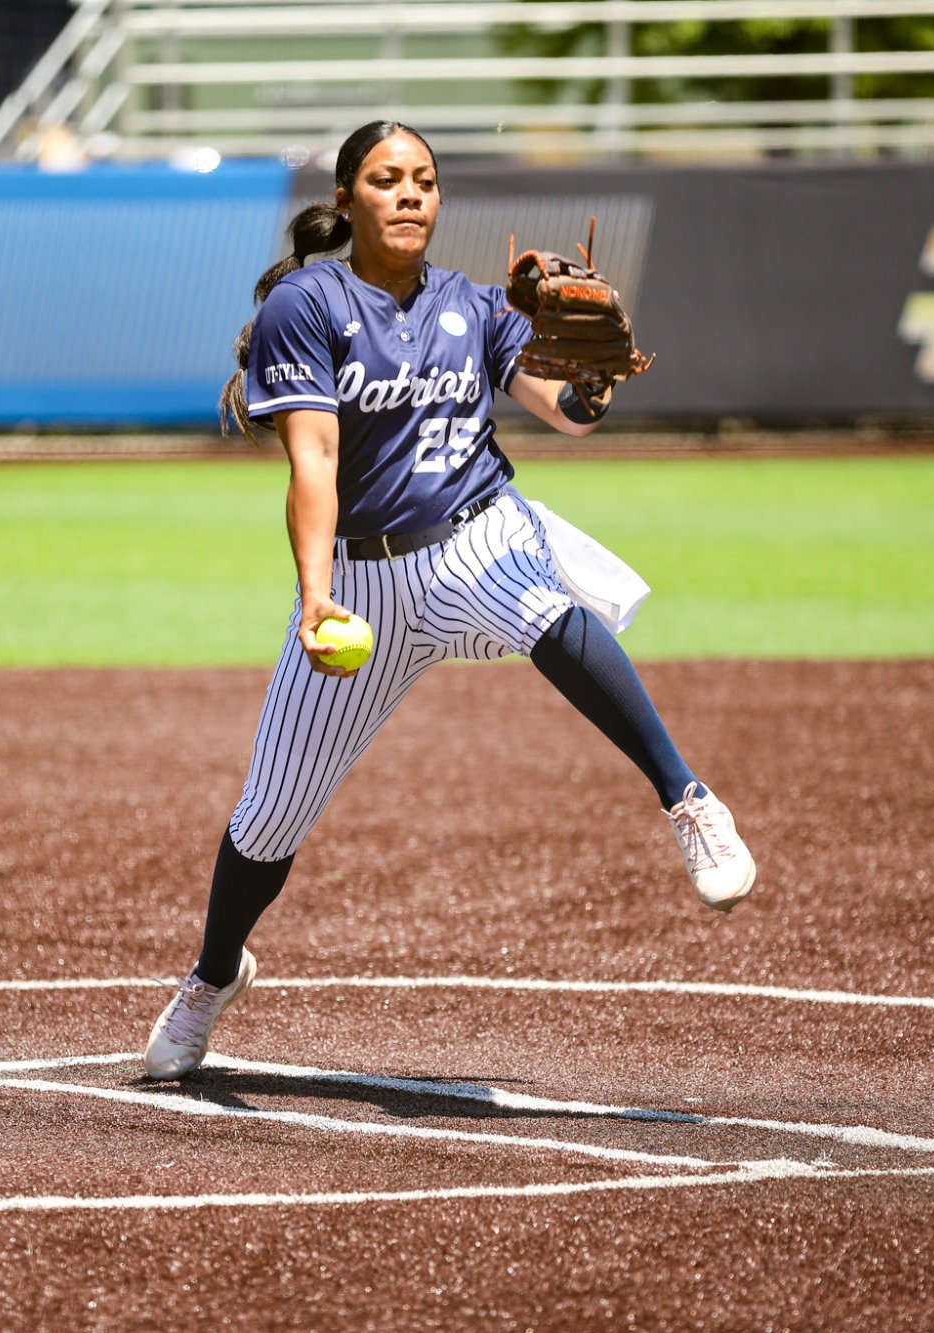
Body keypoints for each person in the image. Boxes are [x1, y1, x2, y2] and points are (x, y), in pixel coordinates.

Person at [143, 121, 757, 1081]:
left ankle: (687, 797)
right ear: (348, 201)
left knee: (543, 607)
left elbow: (569, 412)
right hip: (363, 587)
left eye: (424, 179)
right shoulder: (309, 306)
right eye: (386, 179)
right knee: (268, 818)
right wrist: (314, 599)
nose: (410, 194)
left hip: (475, 536)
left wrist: (592, 372)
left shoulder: (477, 306)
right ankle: (213, 975)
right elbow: (313, 460)